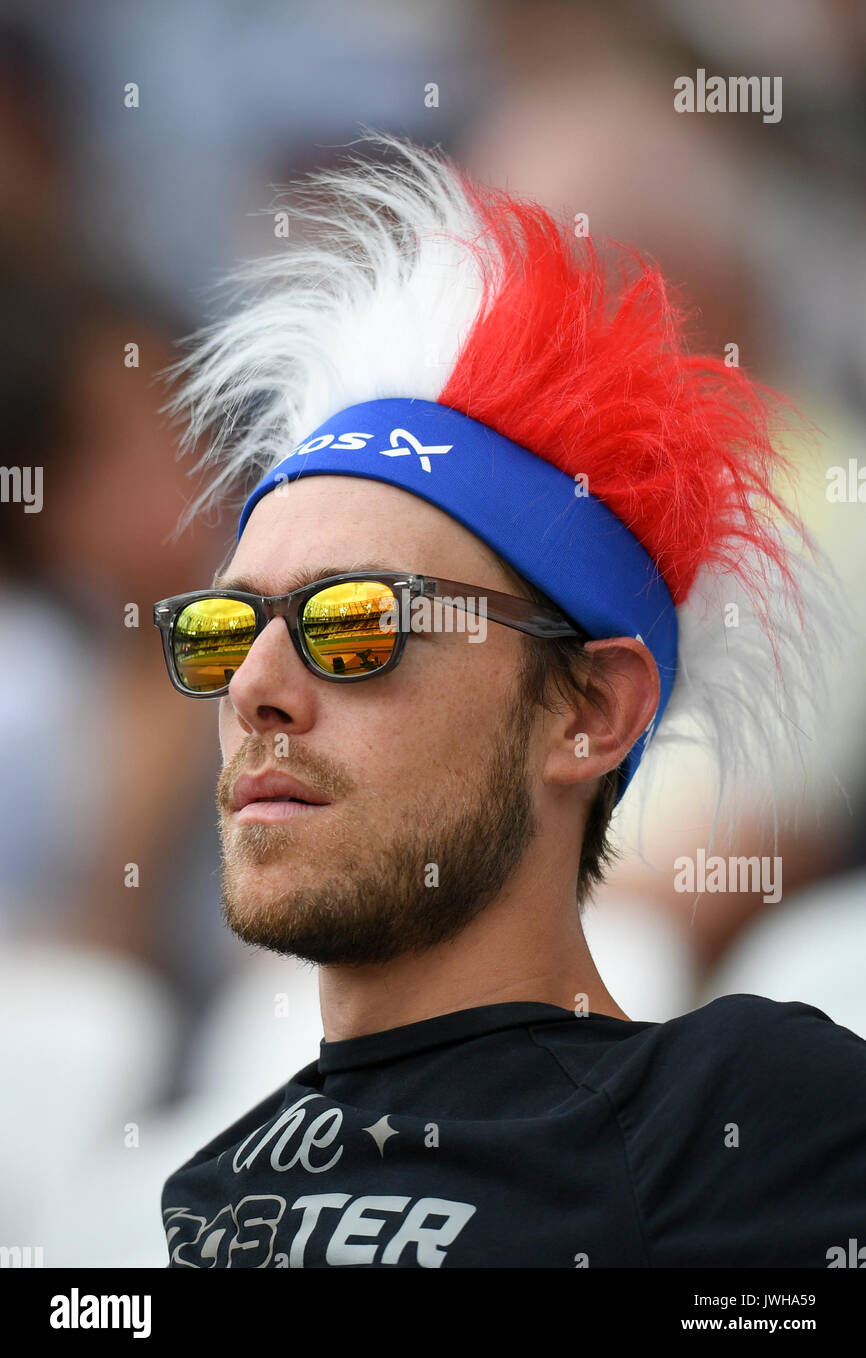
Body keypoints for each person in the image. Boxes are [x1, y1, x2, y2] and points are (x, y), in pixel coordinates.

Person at [154, 130, 865, 1269]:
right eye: (222, 630)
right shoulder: (210, 1189)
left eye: (353, 623)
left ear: (590, 705)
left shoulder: (741, 1114)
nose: (255, 690)